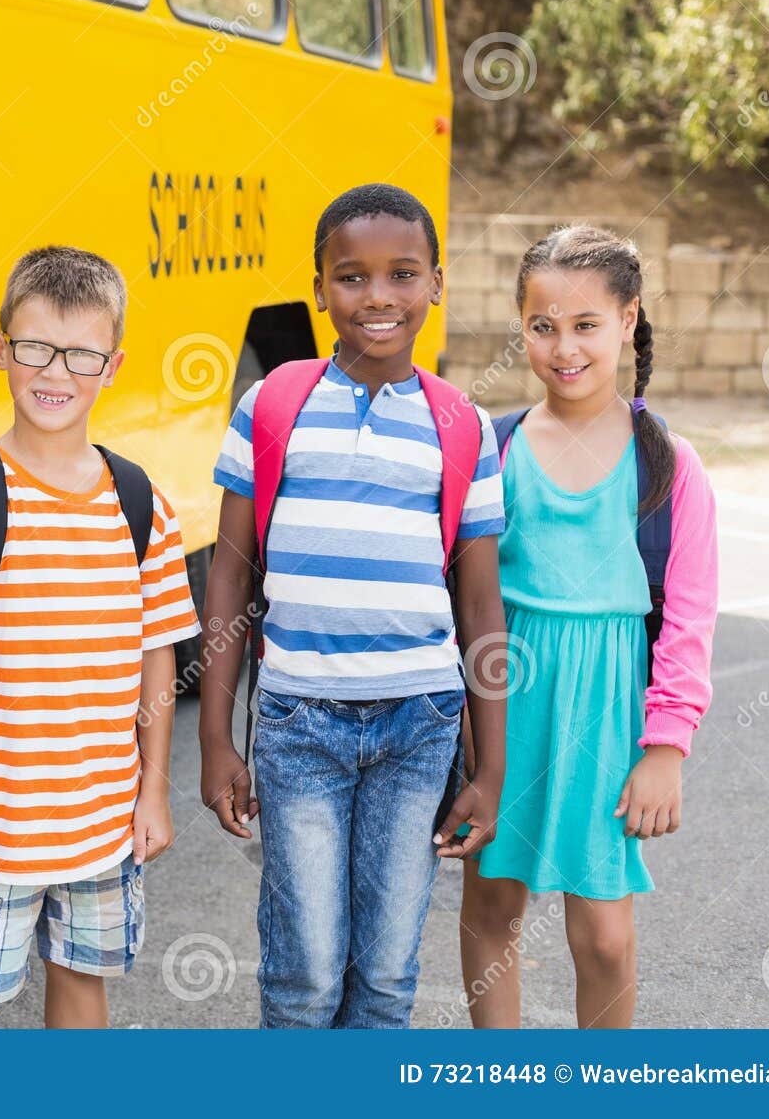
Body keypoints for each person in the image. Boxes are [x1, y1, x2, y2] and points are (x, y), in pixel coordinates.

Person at [199, 183, 509, 1028]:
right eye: (352, 277)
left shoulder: (463, 425)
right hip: (301, 721)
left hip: (421, 723)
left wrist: (490, 766)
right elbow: (229, 578)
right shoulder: (272, 405)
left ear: (437, 283)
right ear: (320, 287)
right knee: (302, 974)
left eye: (402, 274)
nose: (378, 298)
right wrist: (216, 735)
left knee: (383, 976)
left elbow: (480, 605)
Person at [0, 246, 200, 1027]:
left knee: (81, 990)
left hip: (103, 817)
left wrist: (152, 790)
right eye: (36, 347)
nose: (56, 371)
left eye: (82, 354)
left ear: (113, 366)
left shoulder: (142, 504)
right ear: (1, 348)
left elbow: (157, 659)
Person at [459, 224, 718, 1028]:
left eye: (585, 325)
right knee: (492, 907)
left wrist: (666, 749)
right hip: (506, 708)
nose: (562, 347)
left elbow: (688, 618)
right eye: (541, 326)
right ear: (521, 327)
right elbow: (466, 598)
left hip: (607, 716)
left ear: (629, 318)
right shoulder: (491, 449)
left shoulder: (669, 462)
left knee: (602, 934)